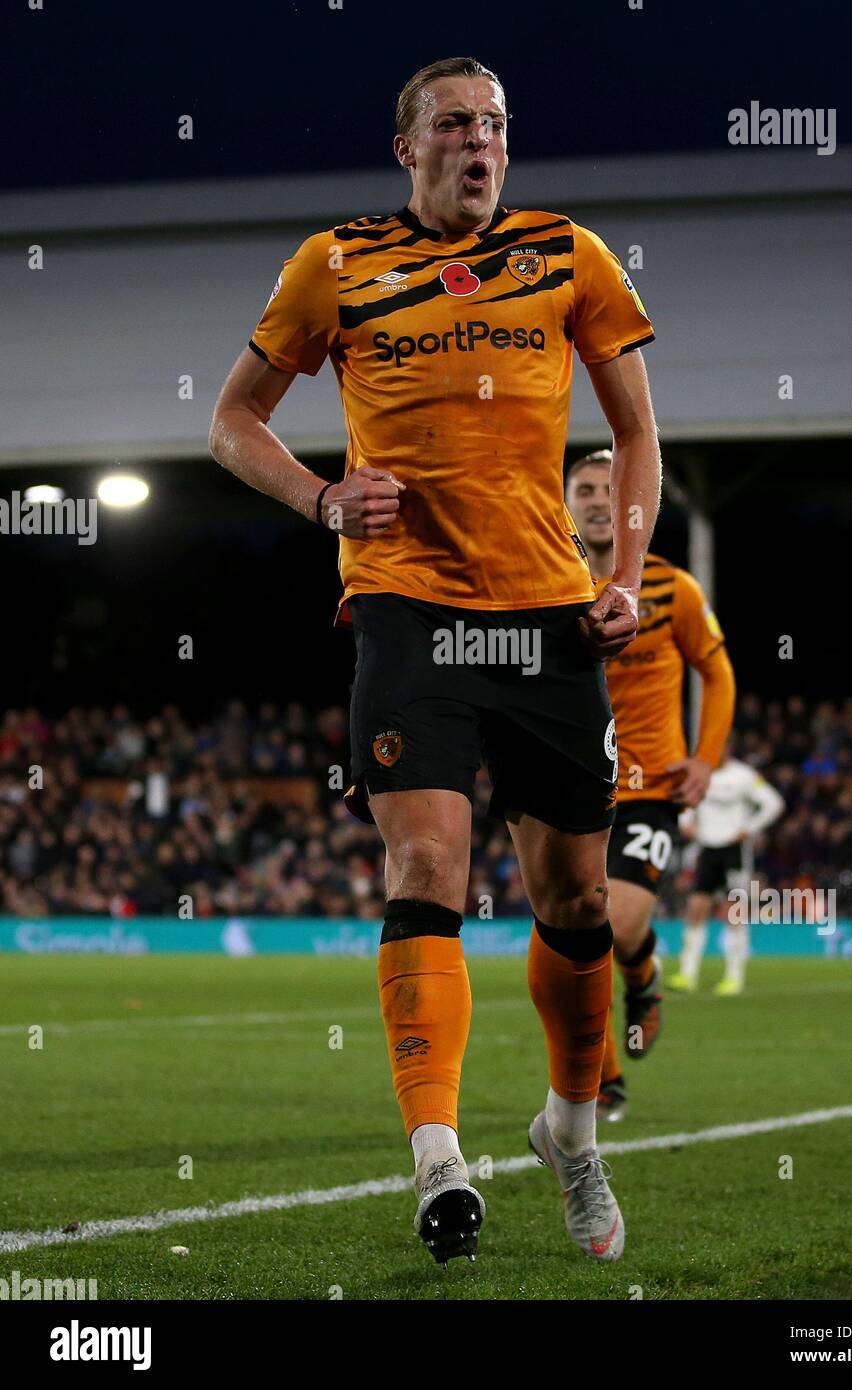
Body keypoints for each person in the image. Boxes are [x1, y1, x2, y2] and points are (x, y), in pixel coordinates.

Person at [209, 56, 660, 1265]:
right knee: (427, 859)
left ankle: (570, 1131)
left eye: (498, 124)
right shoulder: (336, 263)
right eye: (457, 123)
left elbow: (635, 433)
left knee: (573, 903)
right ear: (406, 146)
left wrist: (622, 581)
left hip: (552, 621)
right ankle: (438, 1161)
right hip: (408, 611)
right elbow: (232, 421)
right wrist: (319, 502)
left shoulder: (570, 253)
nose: (482, 141)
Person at [566, 451, 735, 1121]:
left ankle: (637, 991)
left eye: (612, 487)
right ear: (565, 502)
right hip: (567, 787)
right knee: (569, 935)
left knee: (611, 921)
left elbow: (715, 672)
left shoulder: (672, 588)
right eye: (584, 488)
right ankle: (602, 1074)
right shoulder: (547, 585)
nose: (599, 498)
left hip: (644, 787)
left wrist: (705, 759)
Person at [671, 746, 785, 995]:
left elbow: (773, 803)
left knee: (734, 911)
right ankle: (687, 974)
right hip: (707, 849)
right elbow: (686, 805)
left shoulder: (743, 776)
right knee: (696, 908)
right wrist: (686, 823)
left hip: (734, 850)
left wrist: (750, 828)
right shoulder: (699, 775)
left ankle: (734, 977)